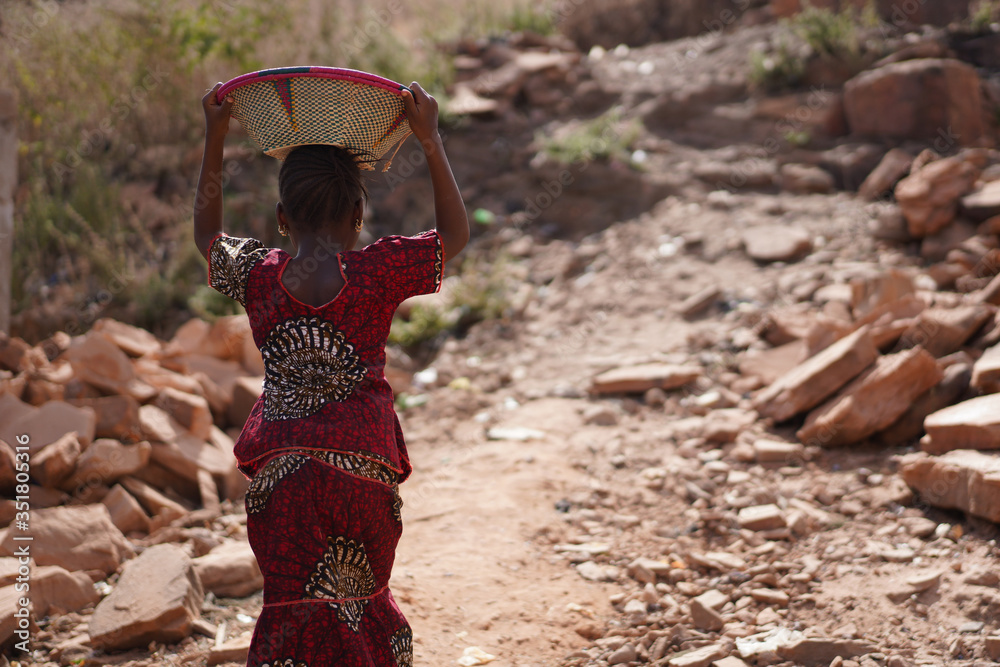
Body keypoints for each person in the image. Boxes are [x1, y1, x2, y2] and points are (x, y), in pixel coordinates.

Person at [193, 79, 469, 667]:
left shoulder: (260, 275)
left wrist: (215, 136)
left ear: (281, 218)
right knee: (360, 600)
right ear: (359, 213)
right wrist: (429, 137)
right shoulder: (380, 270)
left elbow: (206, 238)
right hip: (361, 468)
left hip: (283, 473)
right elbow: (455, 236)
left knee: (291, 608)